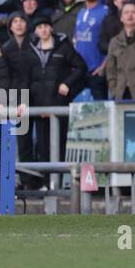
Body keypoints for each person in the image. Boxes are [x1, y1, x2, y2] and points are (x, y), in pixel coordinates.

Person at [14, 15, 86, 187]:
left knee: (58, 145)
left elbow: (81, 67)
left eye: (46, 26)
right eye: (40, 27)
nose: (43, 30)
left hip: (57, 103)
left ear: (51, 28)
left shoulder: (64, 47)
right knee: (42, 146)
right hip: (38, 105)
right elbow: (24, 79)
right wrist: (23, 101)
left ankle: (56, 182)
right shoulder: (29, 50)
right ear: (36, 31)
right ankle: (42, 182)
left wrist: (67, 83)